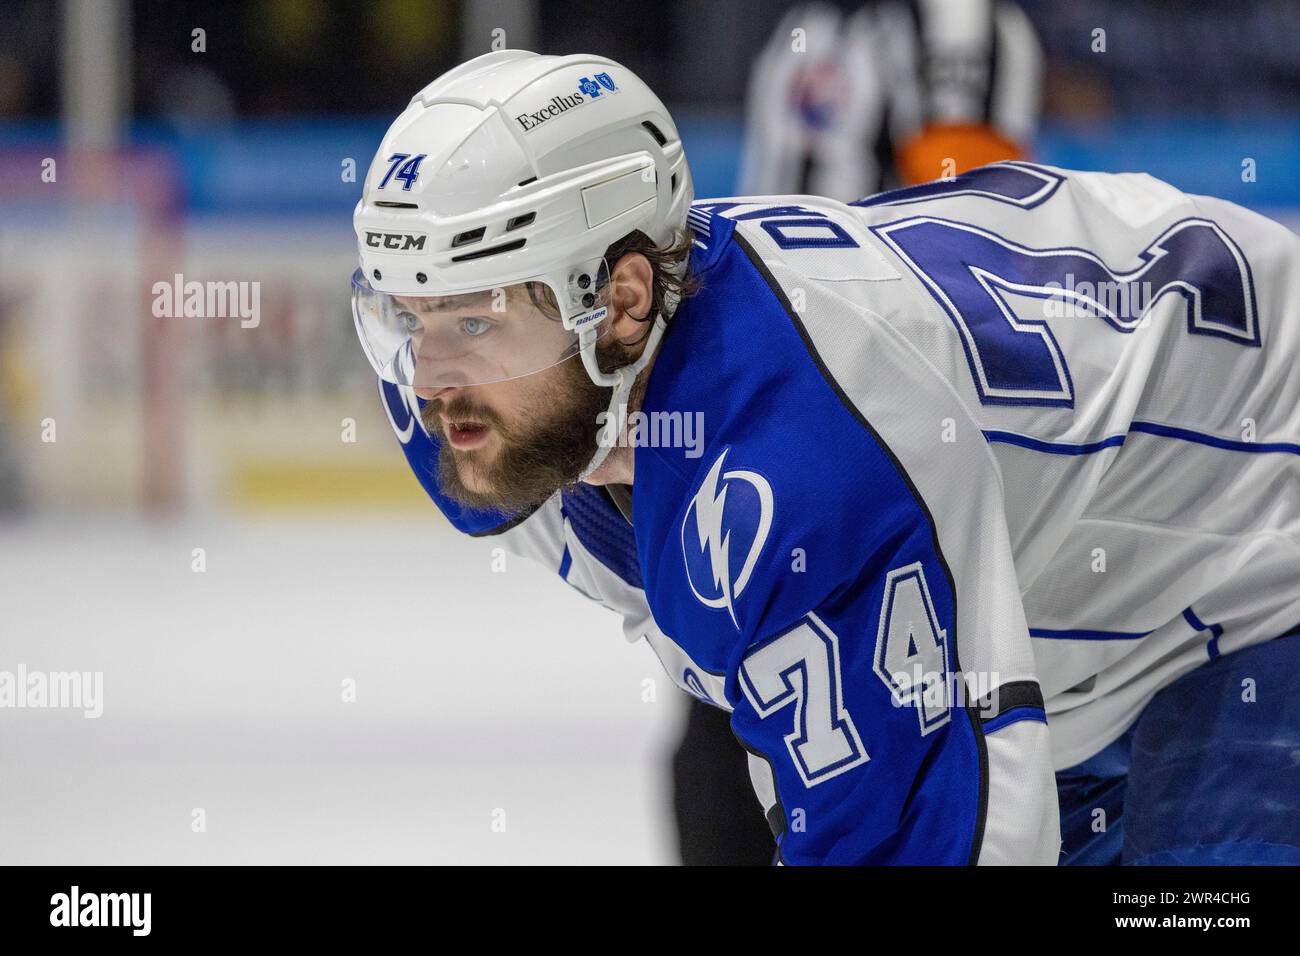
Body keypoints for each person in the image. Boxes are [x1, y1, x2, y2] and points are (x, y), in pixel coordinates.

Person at [350, 50, 1300, 865]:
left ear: (622, 301)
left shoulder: (799, 472)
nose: (427, 376)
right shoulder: (492, 405)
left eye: (474, 320)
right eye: (408, 314)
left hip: (1260, 520)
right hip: (1090, 615)